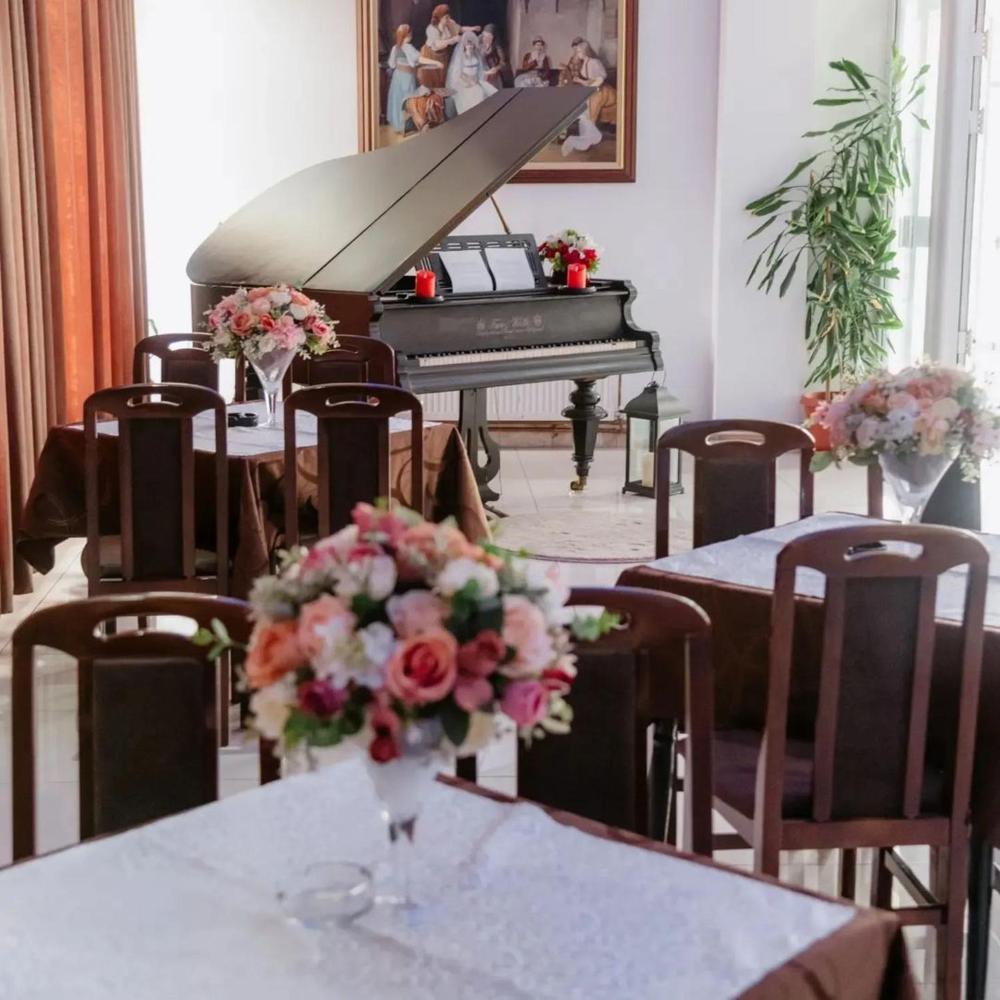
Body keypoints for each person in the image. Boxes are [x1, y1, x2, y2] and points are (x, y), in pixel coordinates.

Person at [561, 37, 617, 156]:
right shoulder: (585, 62)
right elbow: (588, 81)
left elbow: (601, 78)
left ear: (585, 51)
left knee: (588, 115)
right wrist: (579, 81)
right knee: (583, 114)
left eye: (579, 52)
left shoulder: (594, 62)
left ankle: (577, 141)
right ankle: (588, 139)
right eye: (577, 52)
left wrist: (592, 88)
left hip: (600, 91)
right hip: (591, 90)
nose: (577, 54)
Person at [419, 4, 479, 88]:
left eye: (448, 16)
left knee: (442, 78)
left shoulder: (449, 23)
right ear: (440, 18)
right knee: (432, 79)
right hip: (431, 55)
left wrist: (473, 28)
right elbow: (437, 45)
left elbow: (460, 29)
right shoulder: (431, 29)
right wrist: (453, 40)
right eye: (446, 17)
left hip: (443, 55)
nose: (448, 19)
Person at [386, 24, 426, 133]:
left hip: (397, 76)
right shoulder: (408, 47)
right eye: (410, 33)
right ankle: (406, 125)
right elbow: (416, 61)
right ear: (408, 35)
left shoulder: (395, 48)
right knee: (408, 99)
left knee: (398, 99)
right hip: (407, 77)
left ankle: (400, 125)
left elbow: (392, 64)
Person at [446, 30, 497, 114]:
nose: (470, 46)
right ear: (464, 45)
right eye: (468, 44)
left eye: (471, 44)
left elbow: (479, 71)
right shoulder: (461, 58)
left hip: (476, 81)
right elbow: (458, 74)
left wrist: (488, 72)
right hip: (465, 83)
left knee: (491, 93)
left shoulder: (476, 56)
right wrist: (469, 82)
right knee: (476, 96)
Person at [480, 24, 510, 89]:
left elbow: (503, 62)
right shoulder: (478, 42)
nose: (486, 38)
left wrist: (496, 68)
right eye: (484, 36)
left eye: (489, 36)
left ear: (493, 37)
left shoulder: (497, 46)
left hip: (492, 70)